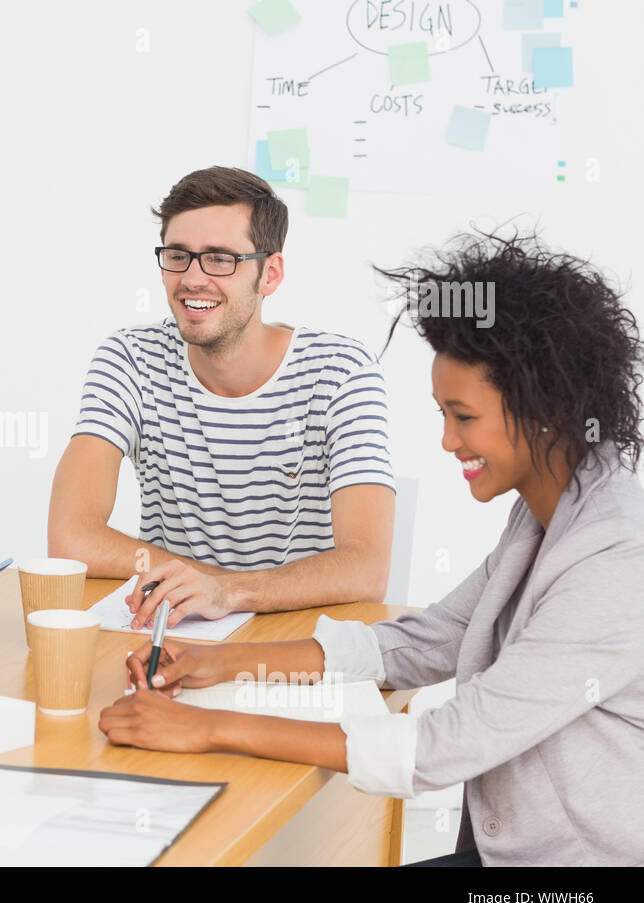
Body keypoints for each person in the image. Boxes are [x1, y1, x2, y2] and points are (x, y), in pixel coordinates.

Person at [100, 229, 644, 866]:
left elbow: (443, 747)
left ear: (544, 407)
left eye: (463, 416)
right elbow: (427, 642)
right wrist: (217, 664)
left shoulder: (617, 560)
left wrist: (210, 728)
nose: (447, 442)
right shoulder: (549, 509)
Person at [48, 166, 395, 620]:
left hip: (299, 642)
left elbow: (367, 569)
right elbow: (70, 538)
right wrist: (205, 589)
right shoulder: (131, 358)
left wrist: (224, 593)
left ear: (270, 274)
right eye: (178, 255)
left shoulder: (342, 372)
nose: (193, 278)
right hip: (177, 635)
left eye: (220, 259)